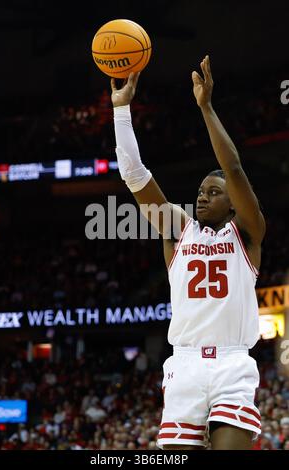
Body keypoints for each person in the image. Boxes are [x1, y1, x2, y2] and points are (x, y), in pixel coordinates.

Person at [110, 55, 265, 450]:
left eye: (213, 193)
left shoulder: (246, 234)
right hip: (185, 365)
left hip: (232, 362)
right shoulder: (177, 232)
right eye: (199, 189)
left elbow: (232, 168)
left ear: (233, 206)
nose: (202, 194)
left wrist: (206, 107)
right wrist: (121, 110)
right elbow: (134, 174)